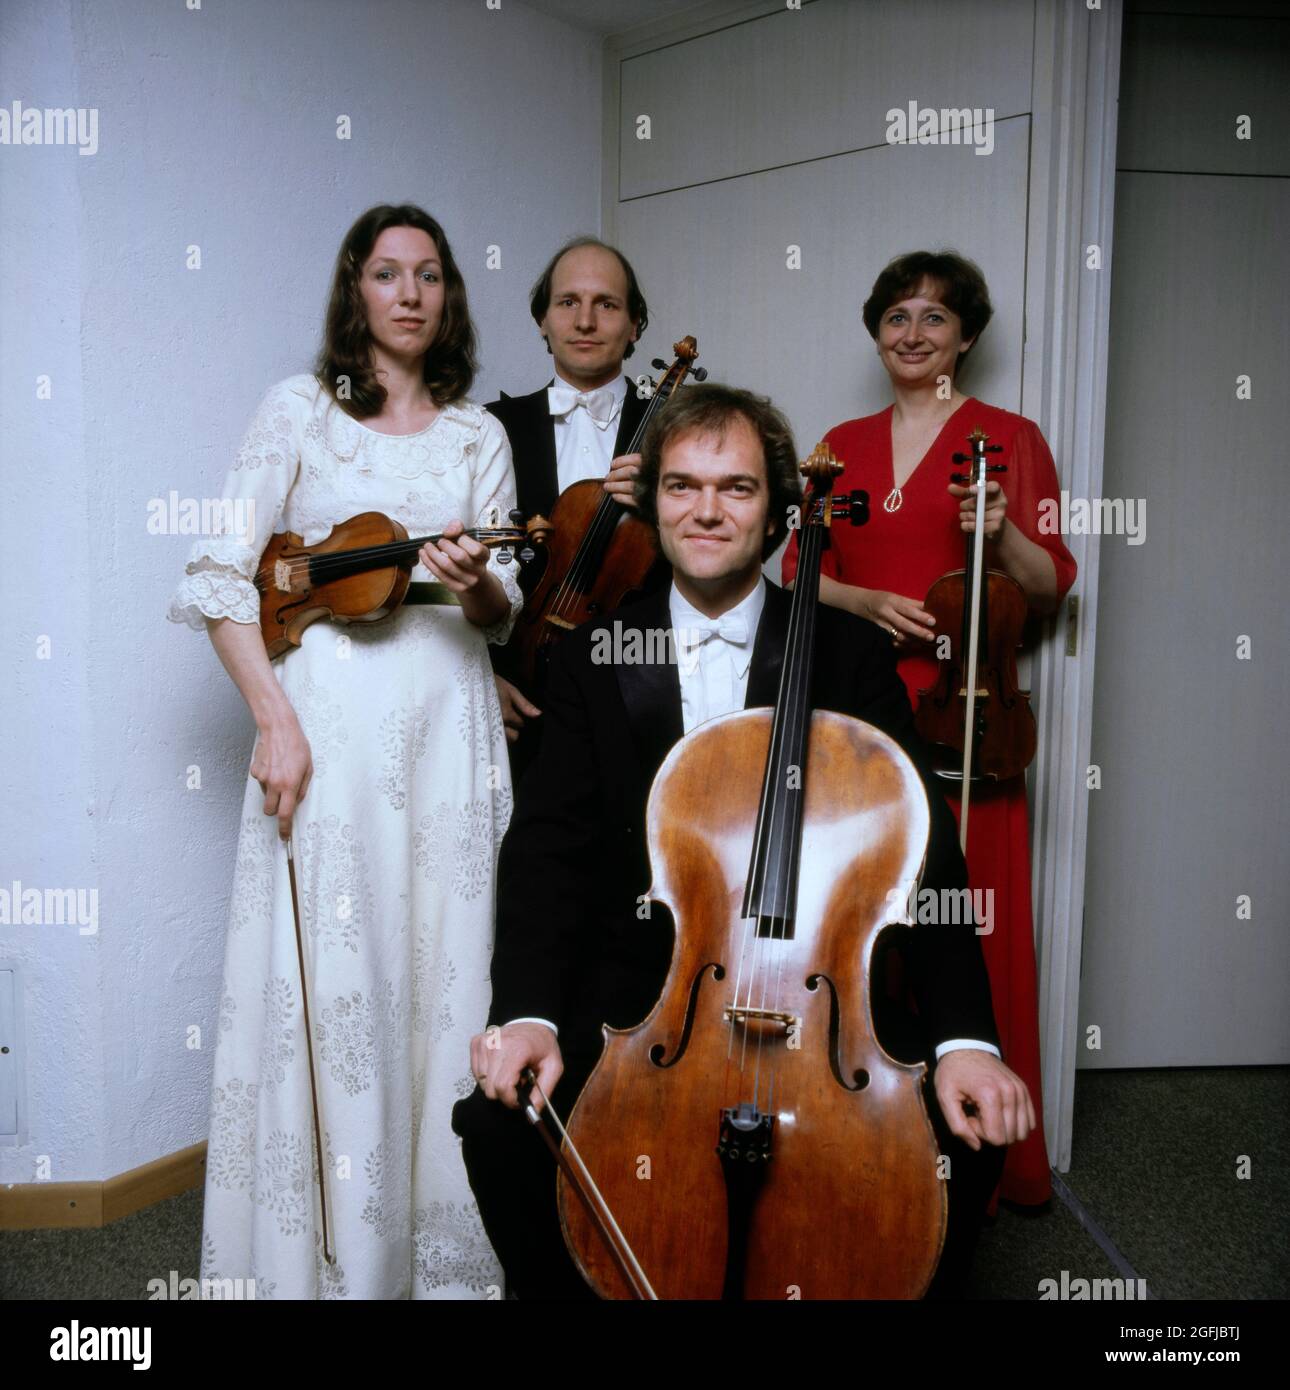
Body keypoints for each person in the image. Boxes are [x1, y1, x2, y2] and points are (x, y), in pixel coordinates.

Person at [453, 383, 1036, 1299]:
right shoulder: (591, 652)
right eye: (682, 486)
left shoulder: (848, 655)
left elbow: (928, 855)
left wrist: (968, 1036)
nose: (707, 510)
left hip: (822, 998)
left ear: (776, 515)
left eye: (736, 488)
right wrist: (525, 1010)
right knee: (496, 1131)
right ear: (651, 504)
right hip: (645, 1004)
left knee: (961, 1143)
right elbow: (545, 854)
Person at [167, 203, 519, 1298]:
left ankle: (437, 1263)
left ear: (449, 295)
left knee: (445, 978)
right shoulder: (299, 412)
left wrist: (479, 585)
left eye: (428, 274)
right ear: (354, 291)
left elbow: (504, 617)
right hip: (328, 734)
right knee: (337, 980)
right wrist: (273, 717)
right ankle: (333, 1266)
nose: (409, 293)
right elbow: (221, 576)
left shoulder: (479, 436)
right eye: (386, 273)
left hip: (448, 735)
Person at [781, 250, 1077, 1208]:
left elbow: (1050, 584)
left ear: (968, 337)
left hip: (972, 717)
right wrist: (863, 600)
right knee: (865, 923)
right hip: (859, 705)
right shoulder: (838, 441)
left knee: (964, 924)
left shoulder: (1009, 437)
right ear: (877, 332)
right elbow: (789, 574)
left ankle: (987, 1160)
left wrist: (1003, 529)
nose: (912, 334)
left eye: (934, 318)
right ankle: (862, 1143)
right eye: (896, 316)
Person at [485, 237, 668, 766]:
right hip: (520, 698)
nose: (585, 321)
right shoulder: (490, 427)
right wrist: (481, 678)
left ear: (635, 325)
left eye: (606, 304)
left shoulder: (680, 431)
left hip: (646, 686)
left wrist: (665, 509)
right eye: (568, 302)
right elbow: (457, 562)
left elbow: (729, 555)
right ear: (542, 319)